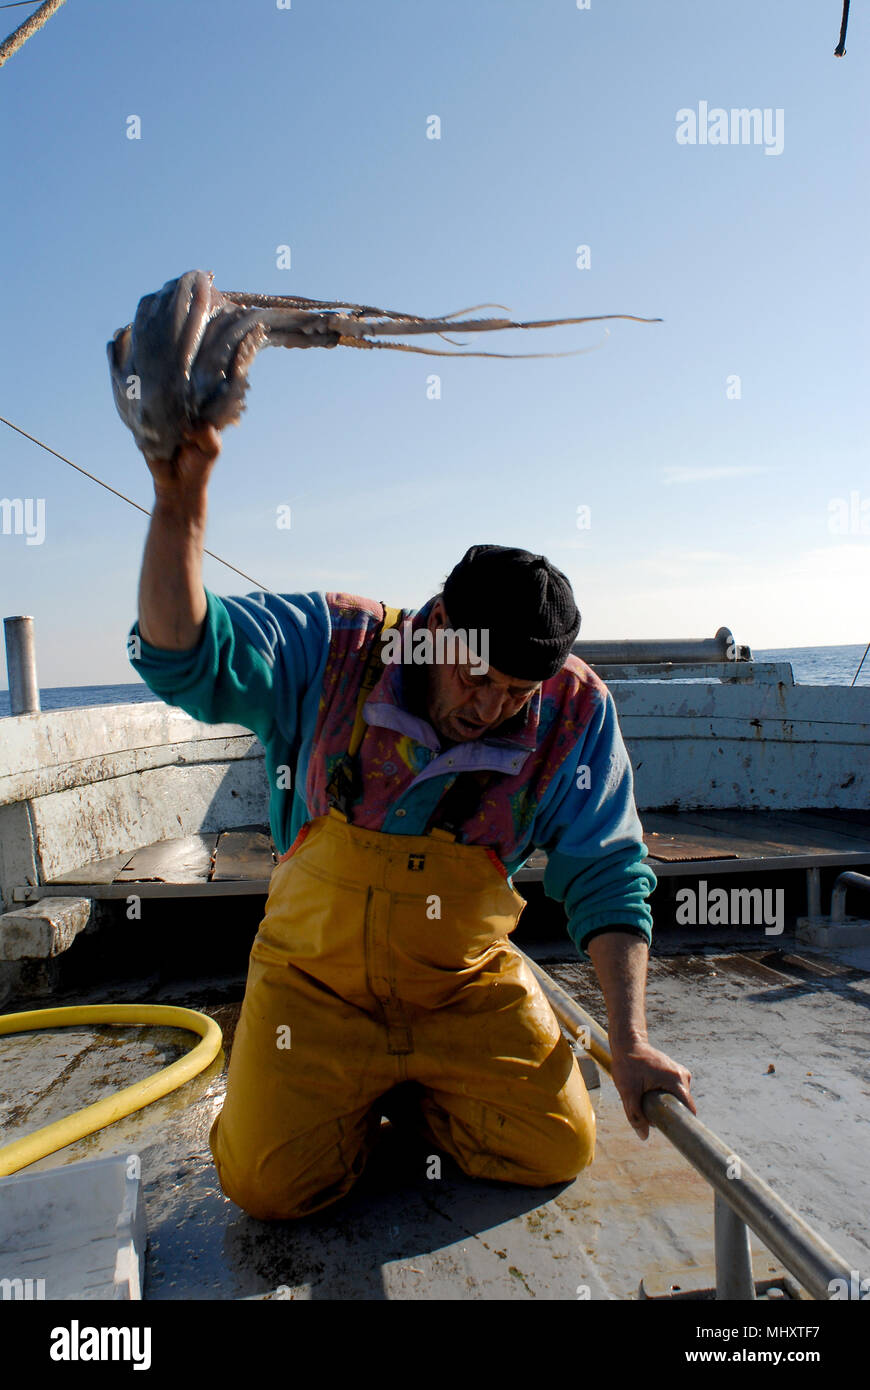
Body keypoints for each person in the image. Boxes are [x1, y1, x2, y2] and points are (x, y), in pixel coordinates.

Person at [129, 422, 695, 1220]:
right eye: (478, 675)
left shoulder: (576, 710)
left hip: (459, 986)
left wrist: (630, 1041)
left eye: (516, 692)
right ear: (435, 627)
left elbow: (607, 871)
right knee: (266, 1186)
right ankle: (342, 1102)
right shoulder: (332, 644)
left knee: (555, 1145)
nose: (491, 707)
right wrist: (178, 505)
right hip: (313, 986)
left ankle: (418, 1095)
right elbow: (183, 654)